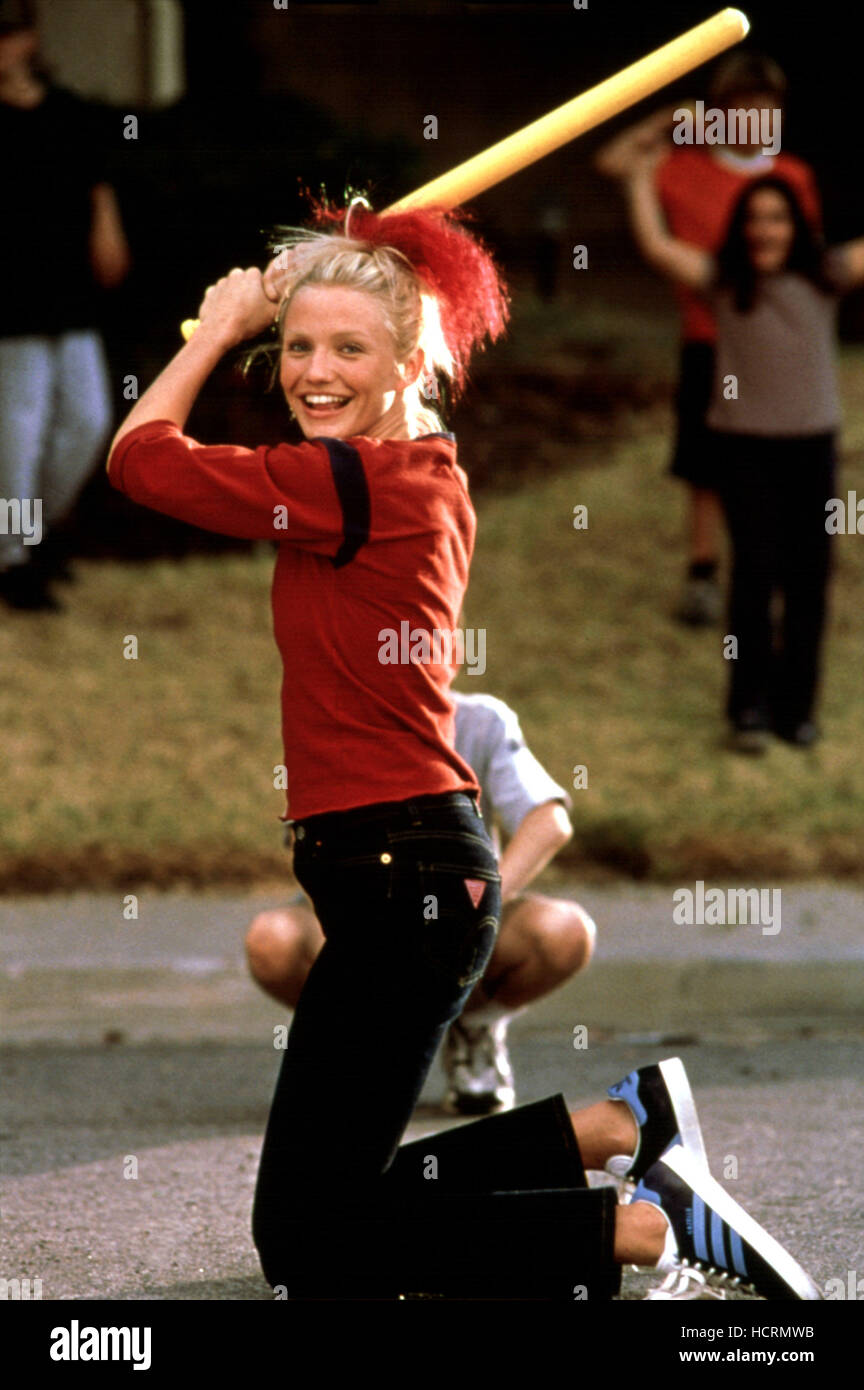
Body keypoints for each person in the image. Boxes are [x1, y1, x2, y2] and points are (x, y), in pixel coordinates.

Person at [105, 201, 818, 1300]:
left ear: (410, 361)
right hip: (402, 869)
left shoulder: (351, 488)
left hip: (402, 875)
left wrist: (215, 328)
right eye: (296, 345)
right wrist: (316, 288)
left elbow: (142, 462)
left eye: (350, 347)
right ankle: (613, 1128)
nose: (313, 370)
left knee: (309, 1244)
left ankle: (633, 1233)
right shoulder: (414, 474)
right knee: (351, 1190)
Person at [245, 688, 596, 1116]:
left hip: (458, 910)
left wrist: (479, 906)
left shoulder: (480, 719)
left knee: (564, 932)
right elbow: (310, 851)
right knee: (271, 941)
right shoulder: (333, 721)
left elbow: (550, 821)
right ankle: (361, 1048)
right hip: (359, 912)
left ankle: (475, 1025)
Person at [624, 156, 864, 752]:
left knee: (808, 579)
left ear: (796, 225)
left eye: (778, 219)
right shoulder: (724, 278)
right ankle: (748, 710)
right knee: (754, 575)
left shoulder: (825, 274)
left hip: (811, 447)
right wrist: (636, 177)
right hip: (744, 449)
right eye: (756, 219)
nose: (766, 230)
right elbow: (656, 245)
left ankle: (796, 710)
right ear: (741, 227)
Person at [596, 52, 820, 627]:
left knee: (782, 457)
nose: (758, 122)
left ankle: (777, 564)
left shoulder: (790, 177)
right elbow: (614, 161)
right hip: (708, 339)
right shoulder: (683, 166)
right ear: (721, 115)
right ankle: (703, 571)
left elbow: (808, 262)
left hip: (775, 344)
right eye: (744, 111)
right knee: (706, 461)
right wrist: (669, 119)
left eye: (769, 111)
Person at [0, 0, 130, 611]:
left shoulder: (66, 112)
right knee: (16, 436)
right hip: (11, 305)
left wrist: (108, 232)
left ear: (28, 40)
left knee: (86, 423)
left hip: (68, 296)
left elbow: (94, 185)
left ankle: (37, 534)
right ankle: (15, 558)